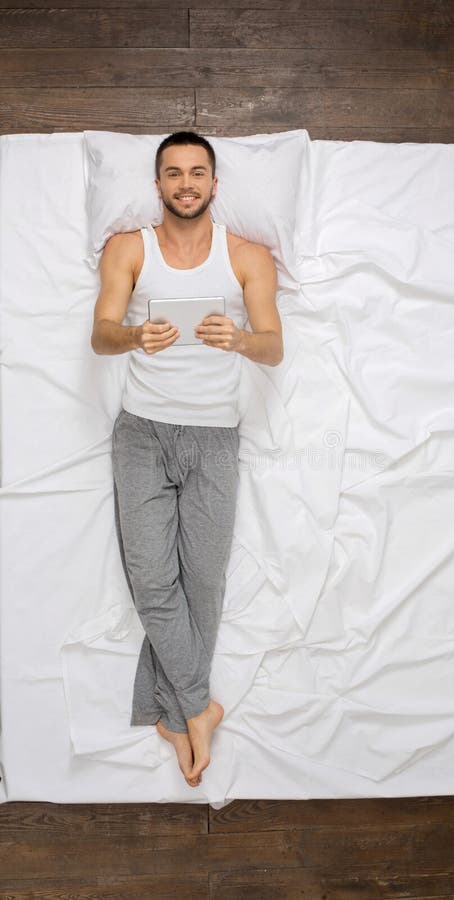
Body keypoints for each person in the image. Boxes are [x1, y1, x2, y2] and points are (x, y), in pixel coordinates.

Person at [90, 131, 283, 788]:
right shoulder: (127, 249)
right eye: (173, 173)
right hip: (142, 434)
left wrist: (240, 338)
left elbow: (274, 348)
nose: (185, 183)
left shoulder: (247, 257)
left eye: (197, 172)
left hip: (214, 438)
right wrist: (134, 335)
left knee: (201, 588)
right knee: (153, 583)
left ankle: (173, 718)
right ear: (158, 184)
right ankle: (200, 707)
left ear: (213, 183)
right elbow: (100, 333)